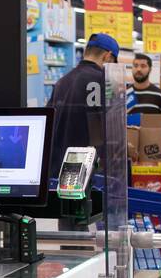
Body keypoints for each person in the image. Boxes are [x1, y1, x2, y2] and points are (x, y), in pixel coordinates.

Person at [47, 31, 119, 178]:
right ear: (107, 56)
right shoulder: (106, 82)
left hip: (58, 168)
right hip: (89, 171)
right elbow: (111, 129)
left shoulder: (61, 82)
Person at [127, 52, 161, 124]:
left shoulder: (159, 95)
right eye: (135, 66)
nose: (138, 69)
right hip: (130, 135)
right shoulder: (125, 94)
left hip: (153, 135)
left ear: (150, 69)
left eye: (143, 66)